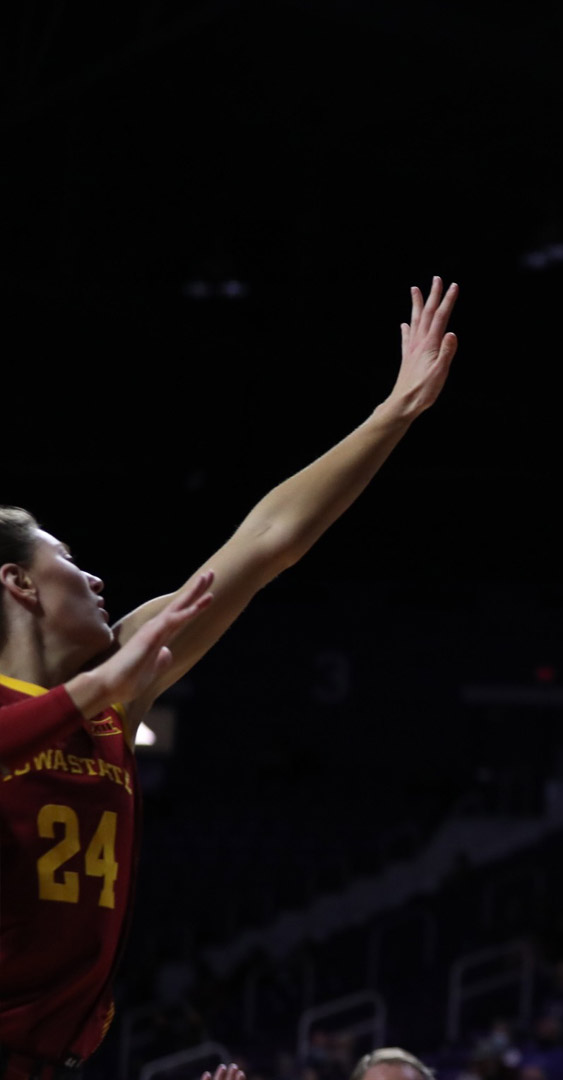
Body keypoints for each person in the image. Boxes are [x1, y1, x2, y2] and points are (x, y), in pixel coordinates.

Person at [0, 277, 459, 1071]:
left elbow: (265, 544)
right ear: (18, 584)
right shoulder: (98, 691)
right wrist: (96, 692)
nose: (96, 577)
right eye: (68, 558)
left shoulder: (122, 674)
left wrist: (394, 414)